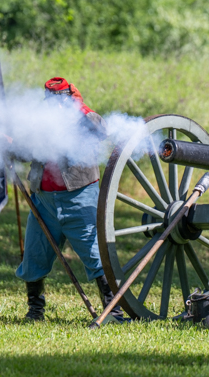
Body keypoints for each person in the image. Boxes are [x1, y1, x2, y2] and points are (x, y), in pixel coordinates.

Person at [15, 77, 123, 321]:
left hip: (79, 197)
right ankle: (35, 311)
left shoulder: (84, 118)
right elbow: (26, 149)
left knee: (96, 255)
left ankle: (113, 311)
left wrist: (77, 108)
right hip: (43, 201)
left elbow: (102, 129)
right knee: (34, 257)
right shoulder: (41, 121)